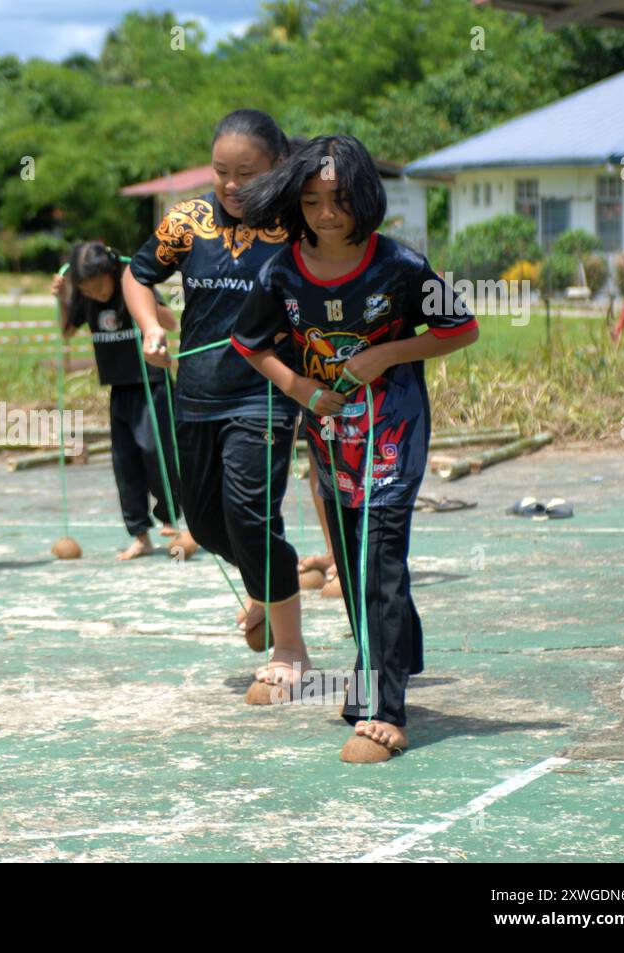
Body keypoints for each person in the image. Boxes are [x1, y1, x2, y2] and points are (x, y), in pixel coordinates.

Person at [233, 134, 479, 759]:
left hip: (393, 433)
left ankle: (385, 708)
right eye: (312, 201)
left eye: (340, 199)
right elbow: (252, 346)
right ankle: (388, 660)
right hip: (330, 437)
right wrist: (303, 392)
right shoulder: (281, 269)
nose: (327, 214)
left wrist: (386, 354)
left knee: (381, 561)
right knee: (354, 557)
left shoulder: (401, 265)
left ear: (365, 197)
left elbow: (460, 329)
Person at [122, 108, 311, 692]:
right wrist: (149, 326)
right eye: (221, 170)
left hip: (265, 393)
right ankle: (264, 586)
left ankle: (292, 649)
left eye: (247, 172)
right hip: (196, 395)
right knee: (203, 522)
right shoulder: (190, 219)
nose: (231, 184)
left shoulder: (298, 225)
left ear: (278, 166)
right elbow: (136, 274)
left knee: (251, 516)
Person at [53, 241, 181, 560]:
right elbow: (67, 331)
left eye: (99, 287)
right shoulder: (84, 296)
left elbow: (169, 322)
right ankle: (139, 534)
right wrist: (62, 299)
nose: (96, 295)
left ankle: (170, 516)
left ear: (112, 272)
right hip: (119, 388)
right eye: (88, 290)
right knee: (124, 463)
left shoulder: (132, 283)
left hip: (152, 384)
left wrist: (142, 297)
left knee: (156, 450)